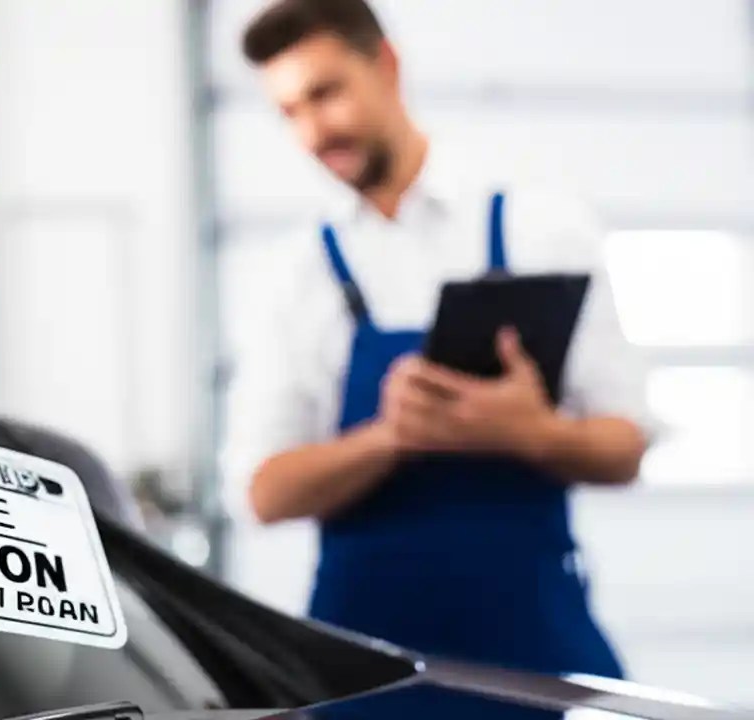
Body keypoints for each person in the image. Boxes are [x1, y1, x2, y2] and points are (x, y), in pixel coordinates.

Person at [221, 0, 656, 691]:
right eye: (289, 112)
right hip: (366, 673)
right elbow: (265, 492)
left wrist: (531, 433)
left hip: (535, 663)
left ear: (386, 65)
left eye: (326, 94)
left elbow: (625, 445)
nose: (313, 131)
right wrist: (391, 437)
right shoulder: (296, 275)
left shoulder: (539, 229)